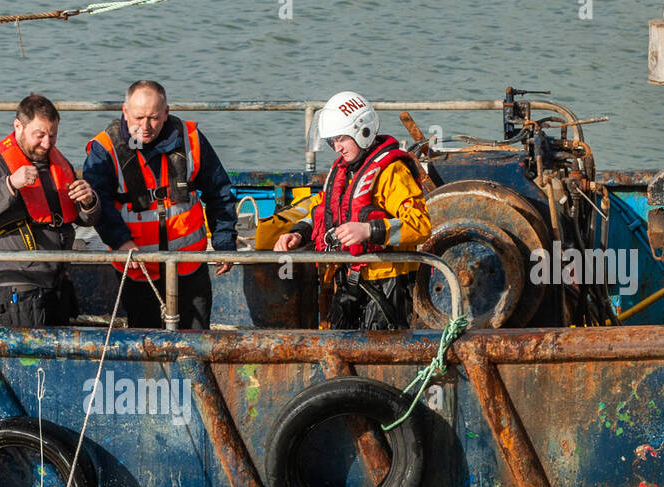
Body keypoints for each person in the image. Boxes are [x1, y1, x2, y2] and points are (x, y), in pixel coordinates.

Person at [83, 80, 237, 329]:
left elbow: (219, 191)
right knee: (144, 345)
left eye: (153, 118)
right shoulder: (105, 148)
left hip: (189, 265)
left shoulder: (191, 139)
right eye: (138, 117)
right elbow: (98, 204)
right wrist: (120, 240)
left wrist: (224, 242)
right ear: (124, 111)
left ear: (166, 113)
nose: (145, 126)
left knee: (195, 342)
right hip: (139, 267)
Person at [274, 91, 431, 329]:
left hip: (387, 284)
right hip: (347, 280)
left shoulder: (393, 173)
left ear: (363, 132)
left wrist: (369, 230)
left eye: (341, 139)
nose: (337, 148)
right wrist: (298, 233)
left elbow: (420, 224)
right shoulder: (343, 171)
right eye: (331, 142)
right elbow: (322, 209)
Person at [0, 93, 99, 326]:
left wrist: (89, 202)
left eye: (52, 135)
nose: (46, 143)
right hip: (17, 286)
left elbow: (85, 219)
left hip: (57, 283)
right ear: (18, 127)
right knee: (26, 362)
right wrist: (10, 185)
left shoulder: (58, 163)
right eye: (39, 135)